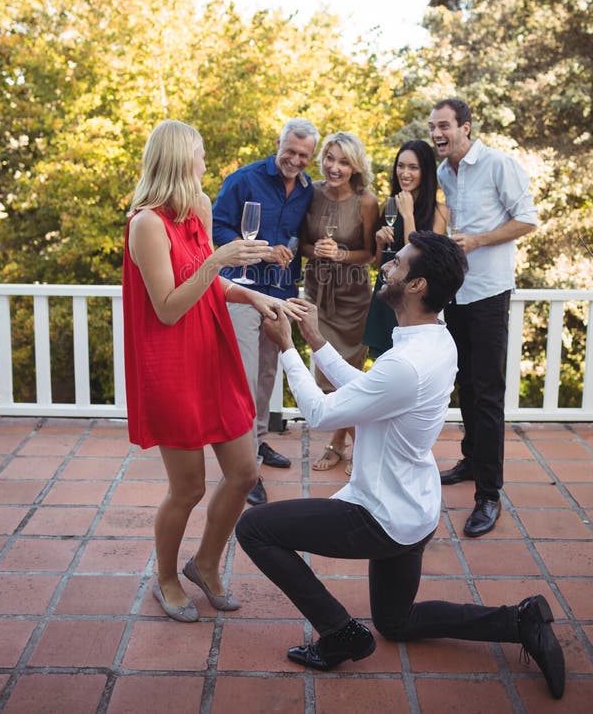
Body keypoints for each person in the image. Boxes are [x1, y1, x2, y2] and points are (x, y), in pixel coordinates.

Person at [235, 231, 564, 700]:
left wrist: (287, 348)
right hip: (415, 510)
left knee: (255, 529)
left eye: (399, 263)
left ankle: (339, 634)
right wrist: (314, 339)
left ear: (417, 286)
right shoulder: (433, 342)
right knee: (396, 622)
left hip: (380, 517)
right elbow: (370, 392)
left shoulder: (407, 363)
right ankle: (519, 620)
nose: (386, 266)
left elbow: (323, 414)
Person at [122, 119, 284, 622]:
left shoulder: (198, 208)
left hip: (213, 356)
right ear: (177, 159)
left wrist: (250, 293)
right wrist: (220, 261)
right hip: (171, 364)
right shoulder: (147, 223)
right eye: (200, 154)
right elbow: (169, 306)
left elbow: (206, 282)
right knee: (188, 488)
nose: (206, 164)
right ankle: (166, 579)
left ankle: (206, 565)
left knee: (244, 472)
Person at [429, 98, 537, 537]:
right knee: (466, 386)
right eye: (433, 126)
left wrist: (477, 242)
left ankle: (488, 495)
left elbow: (526, 220)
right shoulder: (443, 172)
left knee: (488, 394)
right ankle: (472, 461)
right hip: (458, 293)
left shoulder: (498, 164)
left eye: (445, 126)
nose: (437, 133)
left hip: (491, 292)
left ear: (466, 127)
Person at [213, 117, 320, 505]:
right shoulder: (244, 179)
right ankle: (245, 469)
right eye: (289, 151)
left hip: (281, 292)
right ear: (279, 143)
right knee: (243, 375)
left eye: (303, 155)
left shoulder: (308, 190)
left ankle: (256, 444)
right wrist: (262, 250)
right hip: (242, 290)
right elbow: (217, 228)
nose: (294, 159)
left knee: (266, 374)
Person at [300, 132, 379, 476]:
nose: (335, 167)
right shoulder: (310, 193)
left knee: (349, 378)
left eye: (344, 161)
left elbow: (372, 255)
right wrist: (312, 250)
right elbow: (300, 241)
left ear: (355, 166)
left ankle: (340, 443)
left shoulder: (367, 201)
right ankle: (354, 442)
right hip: (318, 294)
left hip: (353, 297)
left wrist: (343, 254)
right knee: (323, 378)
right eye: (330, 158)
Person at [363, 139, 448, 360]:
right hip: (386, 294)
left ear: (425, 171)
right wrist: (380, 243)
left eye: (413, 167)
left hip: (412, 302)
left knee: (409, 363)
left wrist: (409, 215)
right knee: (383, 365)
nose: (405, 173)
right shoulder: (390, 206)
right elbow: (379, 263)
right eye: (401, 166)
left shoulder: (440, 212)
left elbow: (423, 261)